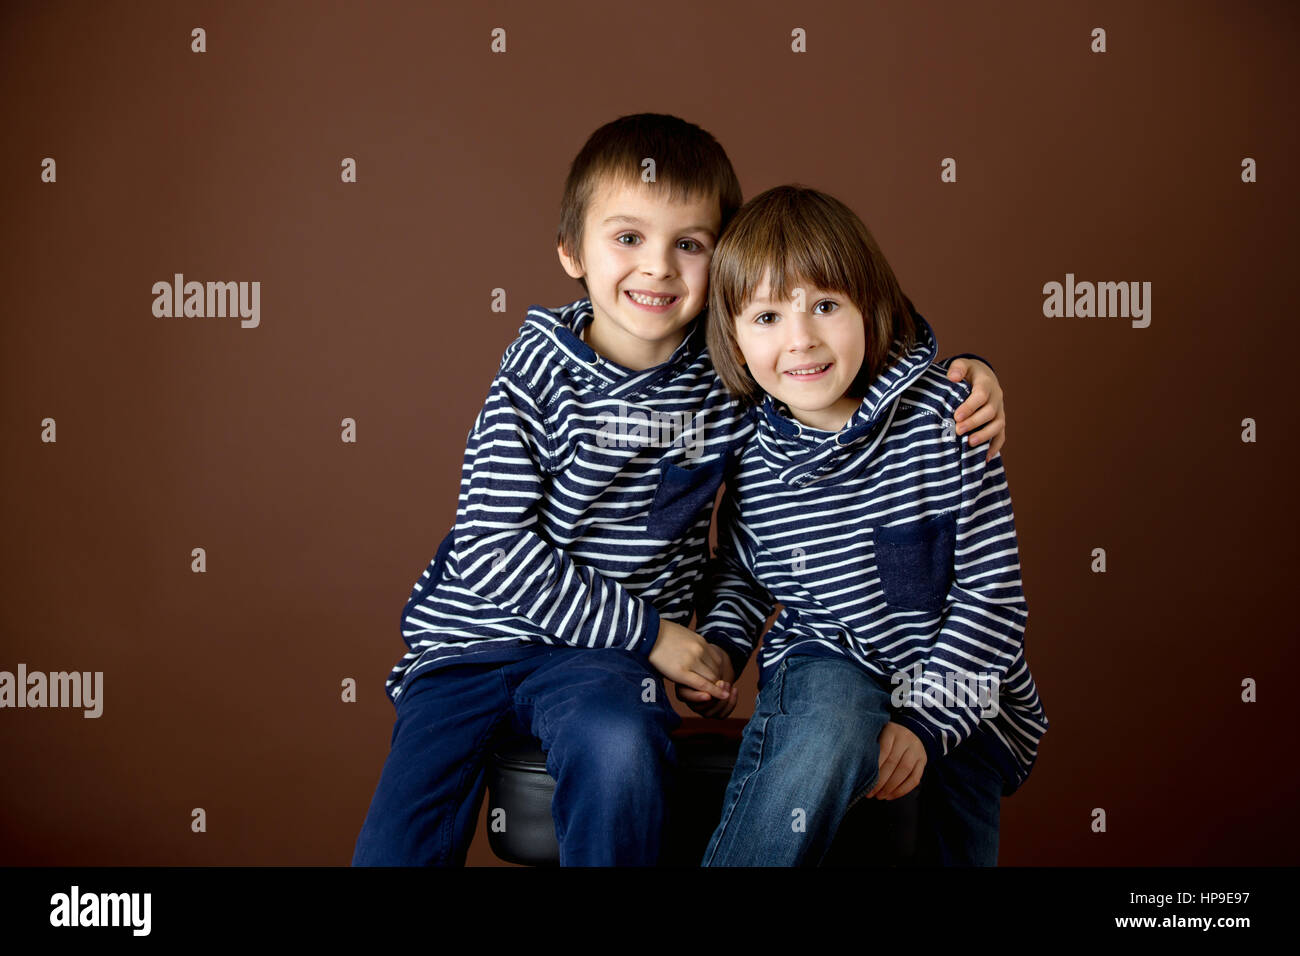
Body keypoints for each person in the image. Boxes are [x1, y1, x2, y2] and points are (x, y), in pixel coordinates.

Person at [352, 115, 1007, 866]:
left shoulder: (734, 370)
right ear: (572, 251)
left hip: (597, 663)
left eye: (689, 245)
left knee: (620, 745)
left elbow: (833, 388)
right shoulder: (533, 376)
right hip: (473, 640)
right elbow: (492, 548)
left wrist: (969, 373)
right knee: (402, 832)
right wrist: (657, 637)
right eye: (627, 238)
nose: (658, 268)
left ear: (720, 269)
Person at [691, 184, 1048, 866]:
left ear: (870, 308)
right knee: (827, 726)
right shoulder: (752, 448)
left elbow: (991, 599)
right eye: (766, 317)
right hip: (828, 655)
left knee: (954, 829)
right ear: (733, 337)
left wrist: (923, 723)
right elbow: (744, 569)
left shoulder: (948, 421)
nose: (801, 339)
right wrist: (721, 650)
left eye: (826, 306)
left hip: (957, 679)